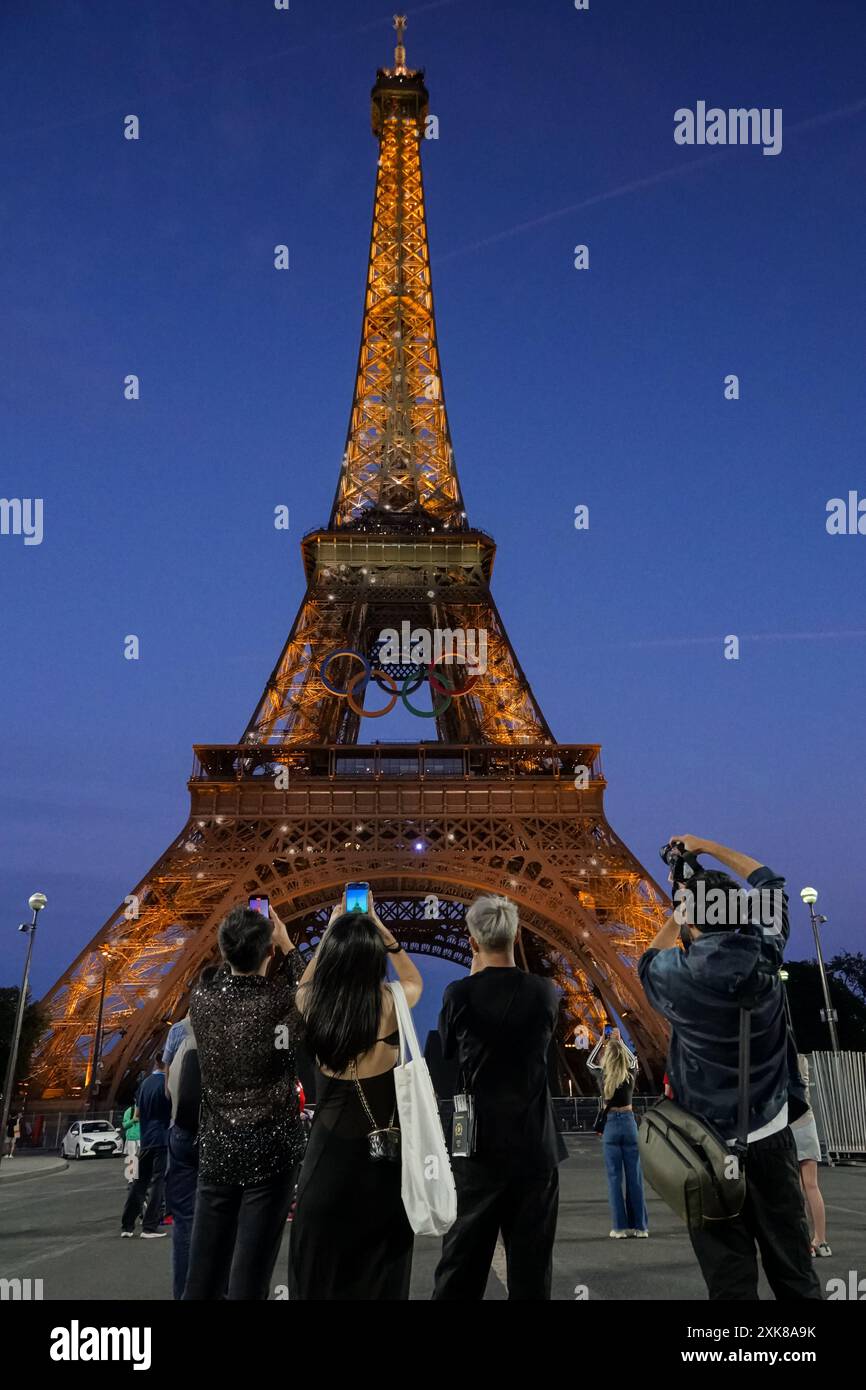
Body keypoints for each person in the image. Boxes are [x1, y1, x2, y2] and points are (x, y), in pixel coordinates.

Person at [638, 834, 821, 1301]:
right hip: (772, 1138)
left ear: (692, 921)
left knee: (729, 1285)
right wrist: (708, 847)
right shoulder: (767, 949)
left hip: (705, 1151)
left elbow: (646, 961)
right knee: (796, 1274)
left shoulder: (673, 977)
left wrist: (679, 908)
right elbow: (768, 878)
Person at [289, 892, 422, 1300]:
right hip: (382, 1165)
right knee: (381, 1273)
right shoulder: (391, 1003)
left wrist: (331, 931)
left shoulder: (311, 1003)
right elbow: (414, 981)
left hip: (326, 1162)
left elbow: (305, 982)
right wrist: (384, 933)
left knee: (322, 1275)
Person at [432, 895, 566, 1301]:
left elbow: (448, 1051)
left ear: (471, 942)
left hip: (477, 1150)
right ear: (517, 934)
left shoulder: (460, 994)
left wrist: (473, 981)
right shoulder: (545, 991)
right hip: (534, 1150)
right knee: (531, 1273)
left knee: (459, 1269)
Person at [183, 904, 304, 1300]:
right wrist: (288, 946)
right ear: (269, 951)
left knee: (201, 1279)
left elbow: (217, 976)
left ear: (222, 949)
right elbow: (310, 994)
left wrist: (250, 944)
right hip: (272, 1153)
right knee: (250, 1279)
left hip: (217, 1152)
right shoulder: (280, 1004)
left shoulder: (201, 998)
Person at [165, 975, 214, 1300]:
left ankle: (186, 1293)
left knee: (184, 1219)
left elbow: (169, 1079)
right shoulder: (230, 1027)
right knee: (227, 1213)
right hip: (219, 1131)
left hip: (182, 1129)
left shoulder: (179, 1029)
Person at [588, 1029, 648, 1238]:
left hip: (611, 1126)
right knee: (635, 1178)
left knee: (614, 1178)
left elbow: (589, 1063)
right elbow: (633, 1061)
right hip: (630, 1123)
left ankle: (619, 1228)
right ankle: (640, 1227)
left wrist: (602, 1042)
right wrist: (620, 1041)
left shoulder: (603, 1076)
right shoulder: (630, 1073)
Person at [120, 1056, 171, 1238]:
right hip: (162, 1137)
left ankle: (127, 1226)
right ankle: (150, 1226)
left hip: (146, 1138)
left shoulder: (145, 1083)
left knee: (139, 1181)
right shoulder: (166, 1083)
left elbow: (138, 1114)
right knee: (158, 1182)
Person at [791, 1055, 831, 1257]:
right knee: (812, 1186)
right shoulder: (803, 1060)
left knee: (796, 1189)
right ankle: (821, 1241)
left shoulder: (779, 1058)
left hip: (789, 1127)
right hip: (808, 1124)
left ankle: (804, 1243)